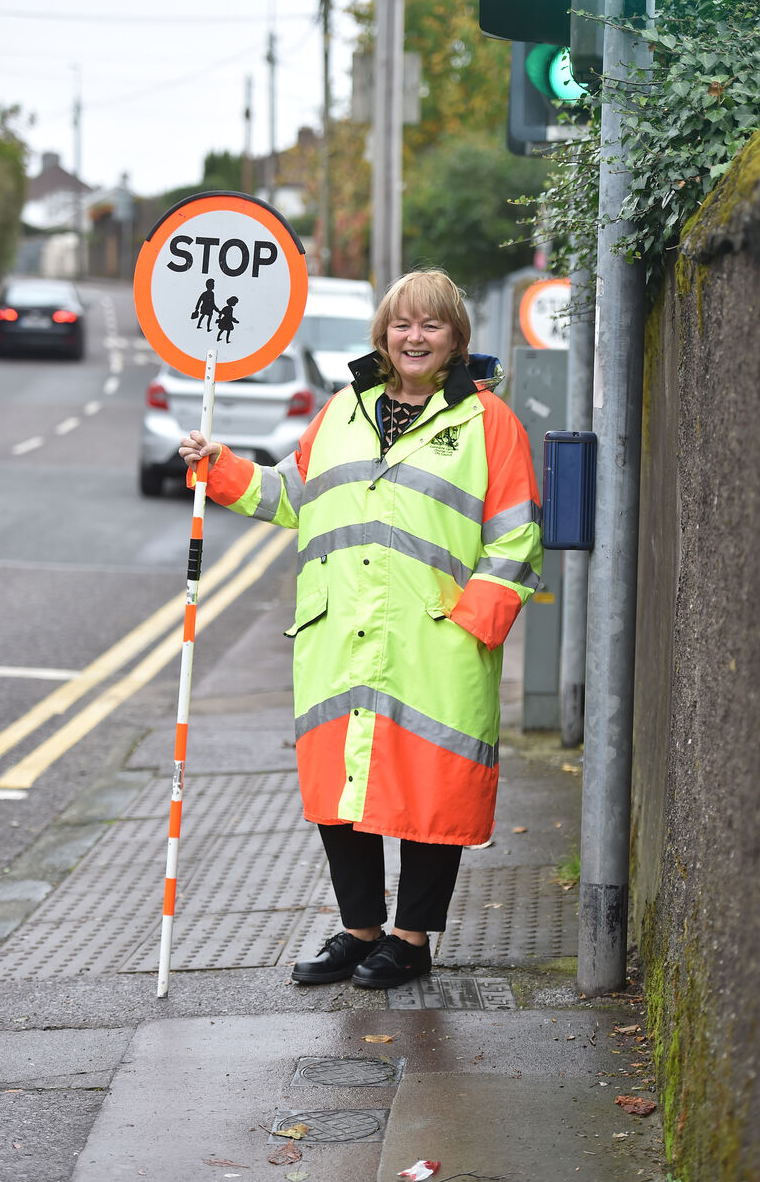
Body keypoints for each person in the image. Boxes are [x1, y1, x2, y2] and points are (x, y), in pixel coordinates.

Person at [179, 269, 543, 989]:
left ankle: (409, 942)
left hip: (434, 638)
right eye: (402, 324)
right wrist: (217, 469)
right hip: (340, 630)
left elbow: (515, 537)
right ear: (382, 335)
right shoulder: (344, 408)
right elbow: (292, 493)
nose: (414, 337)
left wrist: (474, 619)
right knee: (341, 789)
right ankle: (360, 932)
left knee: (432, 789)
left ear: (455, 340)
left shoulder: (487, 422)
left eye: (430, 325)